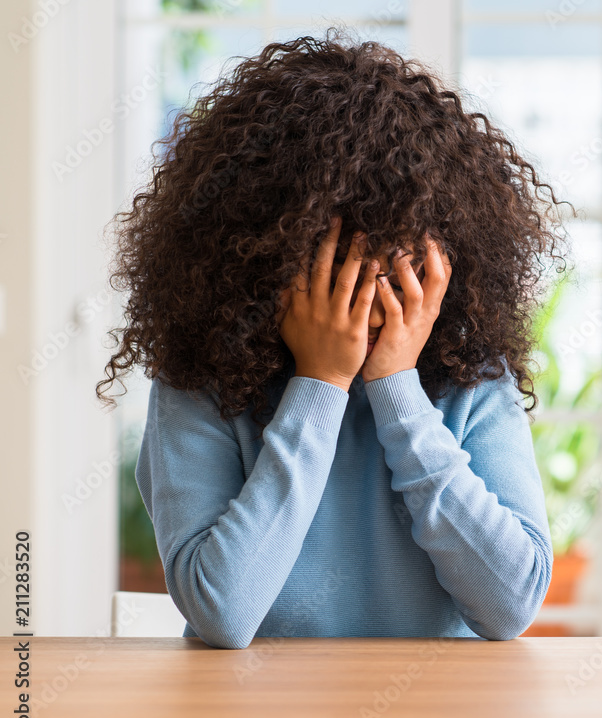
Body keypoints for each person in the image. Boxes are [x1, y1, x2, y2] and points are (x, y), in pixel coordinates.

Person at [95, 28, 575, 649]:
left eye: (393, 264)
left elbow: (510, 605)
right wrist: (319, 385)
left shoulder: (470, 376)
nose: (367, 298)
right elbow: (223, 612)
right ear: (263, 255)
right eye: (337, 268)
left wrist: (399, 392)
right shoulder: (200, 378)